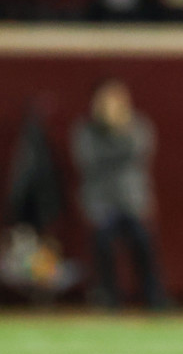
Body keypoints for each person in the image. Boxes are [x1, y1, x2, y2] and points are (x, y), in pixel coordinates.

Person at [71, 80, 169, 309]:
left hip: (132, 202)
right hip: (100, 203)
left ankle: (154, 297)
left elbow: (138, 152)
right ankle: (108, 297)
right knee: (103, 242)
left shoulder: (137, 126)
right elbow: (88, 160)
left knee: (143, 241)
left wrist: (119, 130)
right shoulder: (86, 130)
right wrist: (108, 131)